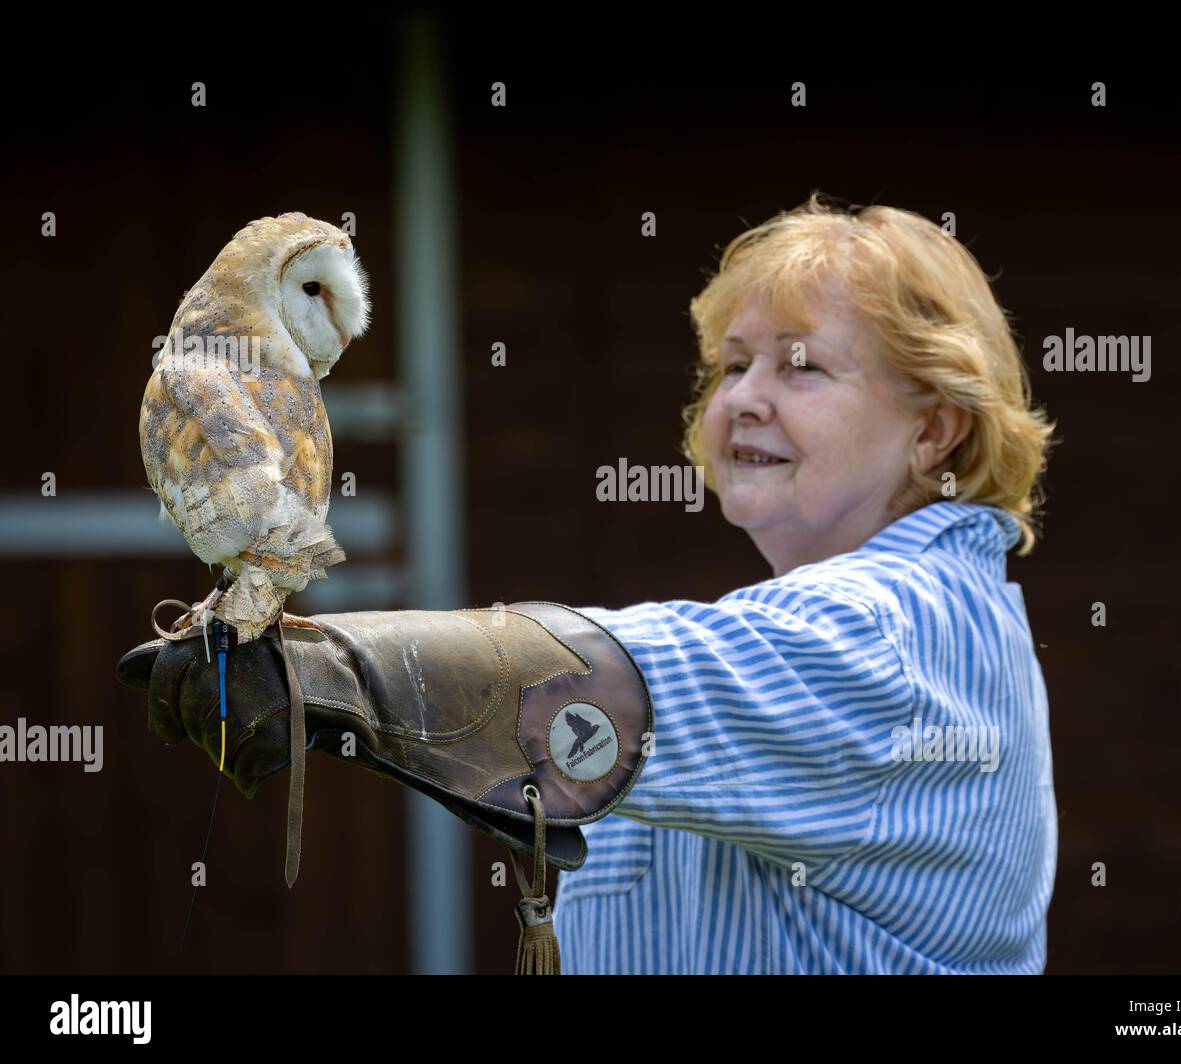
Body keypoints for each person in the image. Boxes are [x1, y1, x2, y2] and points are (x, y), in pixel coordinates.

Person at [119, 193, 1057, 975]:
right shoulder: (825, 625)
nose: (743, 398)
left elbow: (662, 674)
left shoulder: (913, 628)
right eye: (732, 365)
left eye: (802, 365)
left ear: (935, 432)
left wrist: (342, 668)